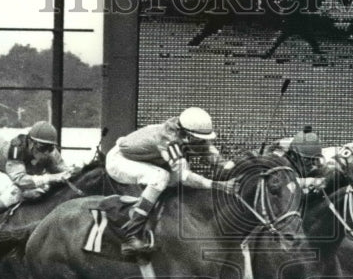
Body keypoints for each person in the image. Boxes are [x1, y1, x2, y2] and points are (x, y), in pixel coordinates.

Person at [105, 107, 235, 258]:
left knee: (171, 179)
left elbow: (213, 156)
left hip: (147, 159)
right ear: (186, 134)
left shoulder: (188, 133)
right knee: (161, 177)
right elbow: (185, 176)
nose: (202, 142)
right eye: (199, 138)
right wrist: (217, 185)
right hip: (119, 161)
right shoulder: (169, 141)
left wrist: (239, 166)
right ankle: (131, 236)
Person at [0, 121, 72, 239]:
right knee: (16, 191)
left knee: (38, 190)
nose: (46, 153)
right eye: (43, 148)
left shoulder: (51, 153)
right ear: (30, 142)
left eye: (50, 148)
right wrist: (50, 178)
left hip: (12, 172)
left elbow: (66, 174)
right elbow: (20, 180)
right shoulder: (16, 148)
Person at [267, 126, 326, 191]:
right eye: (307, 160)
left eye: (314, 159)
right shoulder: (279, 159)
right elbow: (282, 185)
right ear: (294, 156)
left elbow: (321, 174)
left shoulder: (312, 156)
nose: (312, 164)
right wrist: (308, 182)